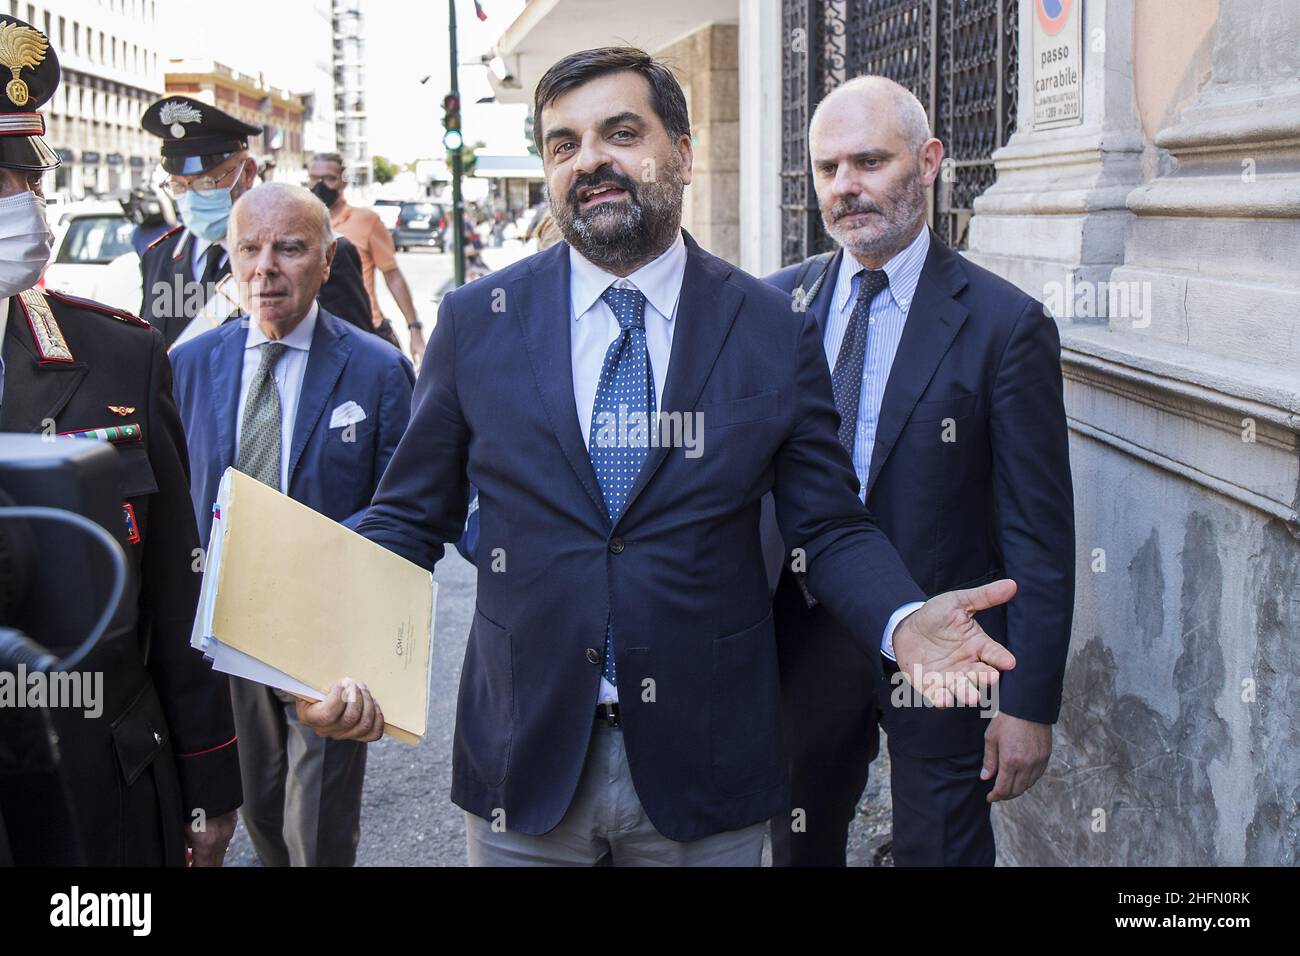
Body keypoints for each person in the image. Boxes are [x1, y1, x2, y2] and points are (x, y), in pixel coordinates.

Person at [298, 46, 1019, 868]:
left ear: (681, 150)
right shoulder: (477, 321)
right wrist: (338, 651)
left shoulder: (774, 329)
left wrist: (901, 620)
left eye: (621, 132)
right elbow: (407, 515)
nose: (591, 160)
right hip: (522, 765)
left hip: (708, 770)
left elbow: (830, 524)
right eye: (563, 144)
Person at [765, 76, 1075, 866]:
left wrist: (1029, 703)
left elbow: (1039, 532)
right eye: (828, 168)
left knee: (943, 850)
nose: (846, 187)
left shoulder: (1007, 327)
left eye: (870, 161)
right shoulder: (774, 308)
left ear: (930, 161)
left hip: (949, 646)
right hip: (802, 637)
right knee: (799, 839)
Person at [0, 14, 240, 866]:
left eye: (23, 176)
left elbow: (178, 579)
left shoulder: (119, 353)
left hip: (104, 782)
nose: (19, 203)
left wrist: (209, 783)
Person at [169, 182, 414, 866]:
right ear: (229, 257)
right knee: (262, 808)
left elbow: (407, 505)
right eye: (249, 248)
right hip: (224, 626)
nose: (265, 267)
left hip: (327, 633)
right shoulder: (188, 367)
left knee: (319, 828)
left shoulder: (379, 369)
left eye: (289, 248)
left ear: (329, 259)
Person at [139, 96, 373, 348]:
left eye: (207, 182)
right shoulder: (160, 256)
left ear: (248, 173)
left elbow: (352, 359)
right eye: (178, 185)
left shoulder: (317, 253)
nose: (191, 196)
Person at [307, 153, 427, 366]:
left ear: (343, 181)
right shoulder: (301, 224)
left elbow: (393, 275)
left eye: (328, 178)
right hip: (318, 335)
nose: (320, 185)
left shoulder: (366, 221)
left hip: (365, 328)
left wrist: (414, 328)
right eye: (314, 178)